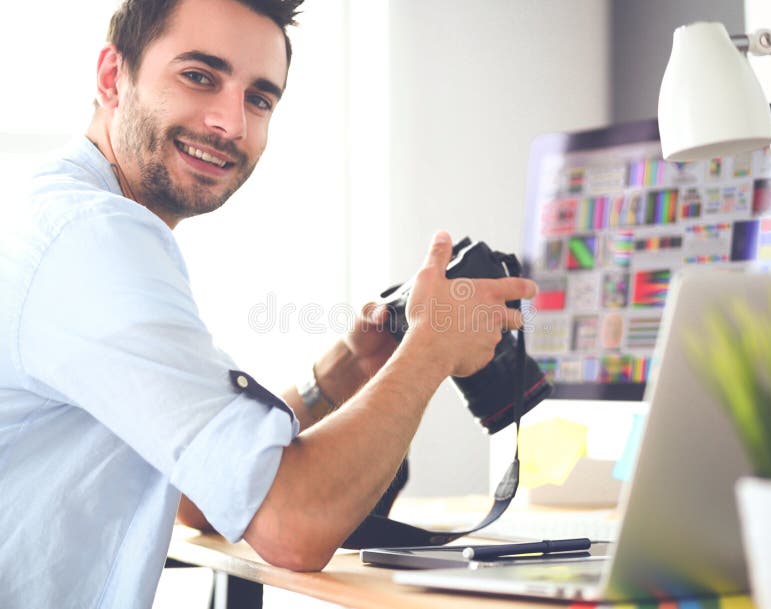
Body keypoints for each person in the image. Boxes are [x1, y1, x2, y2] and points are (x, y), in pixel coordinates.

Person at [0, 0, 537, 607]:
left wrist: (341, 375)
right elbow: (291, 526)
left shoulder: (63, 218)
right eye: (199, 76)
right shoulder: (92, 238)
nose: (230, 122)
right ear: (110, 78)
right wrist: (428, 349)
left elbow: (199, 496)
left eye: (259, 98)